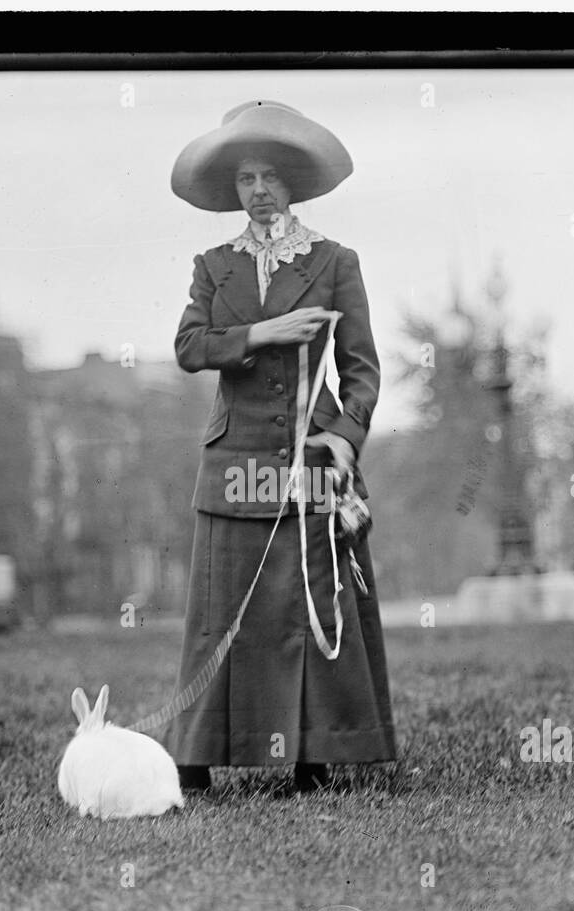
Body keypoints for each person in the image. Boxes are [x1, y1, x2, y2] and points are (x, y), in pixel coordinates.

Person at [166, 100, 396, 794]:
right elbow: (187, 347)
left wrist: (345, 435)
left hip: (305, 456)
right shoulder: (213, 265)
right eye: (245, 180)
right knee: (221, 613)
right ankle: (196, 758)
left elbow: (361, 367)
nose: (258, 190)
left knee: (304, 604)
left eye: (268, 176)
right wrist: (263, 334)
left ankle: (311, 756)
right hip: (233, 461)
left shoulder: (333, 261)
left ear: (291, 182)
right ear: (233, 192)